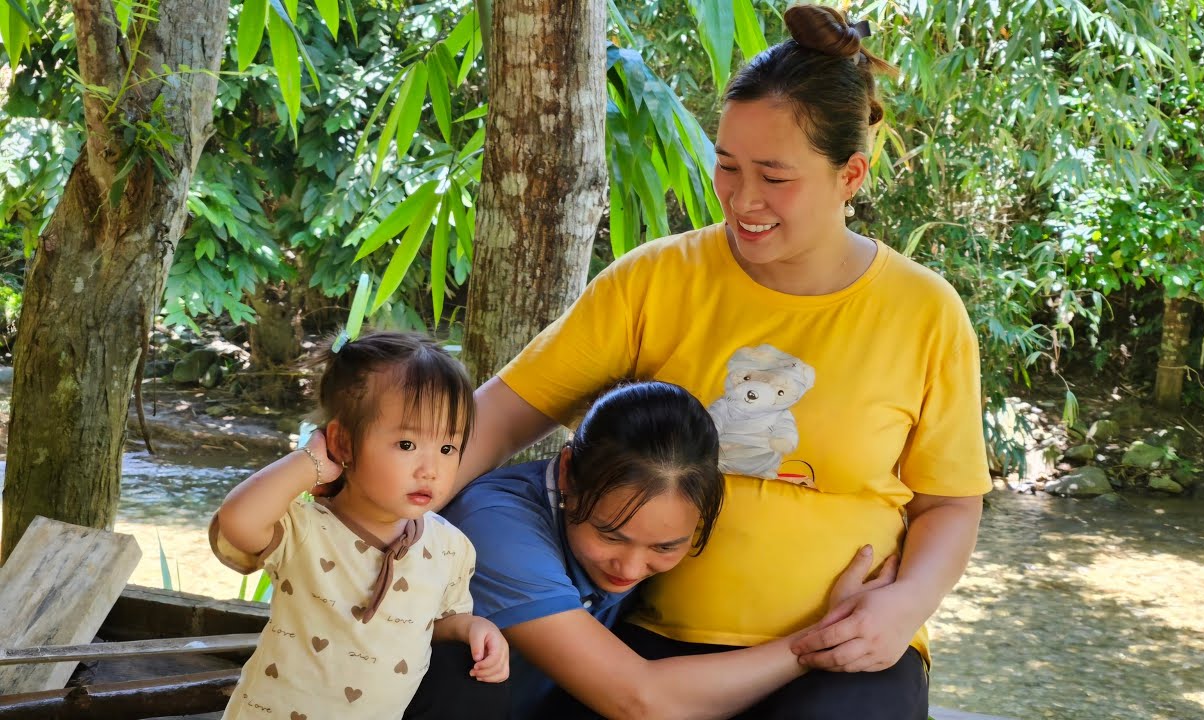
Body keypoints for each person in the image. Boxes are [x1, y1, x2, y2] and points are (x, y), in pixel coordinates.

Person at [447, 4, 992, 718]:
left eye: (775, 176)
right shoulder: (656, 279)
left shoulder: (925, 311)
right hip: (645, 633)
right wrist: (369, 503)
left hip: (843, 649)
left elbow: (950, 503)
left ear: (850, 174)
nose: (743, 200)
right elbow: (499, 416)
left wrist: (903, 608)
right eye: (728, 167)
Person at [407, 380, 898, 720]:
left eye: (666, 546)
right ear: (566, 476)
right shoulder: (497, 527)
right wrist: (818, 643)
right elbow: (637, 700)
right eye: (610, 534)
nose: (631, 567)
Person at [209, 330, 510, 719]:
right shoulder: (305, 530)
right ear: (345, 443)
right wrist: (311, 462)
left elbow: (436, 619)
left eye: (448, 448)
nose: (431, 469)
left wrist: (473, 628)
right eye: (407, 445)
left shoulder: (450, 547)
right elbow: (238, 522)